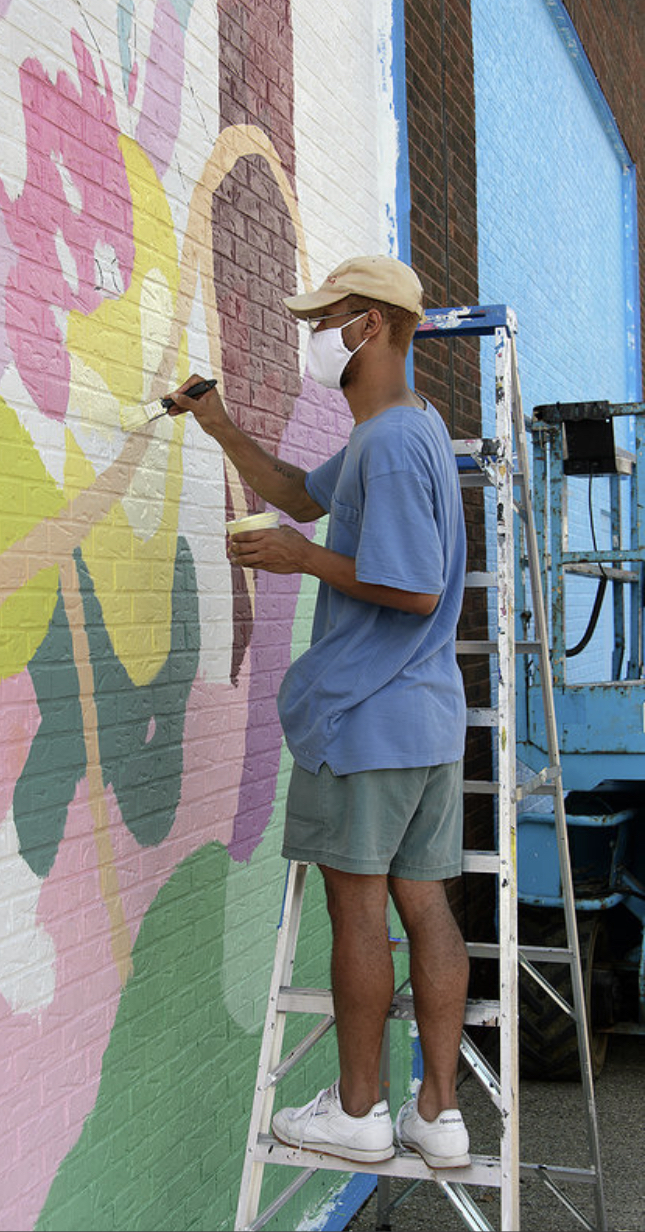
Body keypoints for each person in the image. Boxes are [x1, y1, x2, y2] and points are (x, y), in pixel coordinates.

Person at [171, 254, 470, 1169]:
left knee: (358, 916)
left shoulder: (387, 440)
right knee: (426, 906)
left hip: (368, 718)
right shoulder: (412, 425)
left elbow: (411, 592)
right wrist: (220, 424)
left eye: (326, 318)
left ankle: (359, 1111)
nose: (314, 337)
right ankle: (440, 1115)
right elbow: (304, 494)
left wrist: (302, 561)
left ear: (370, 325)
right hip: (425, 723)